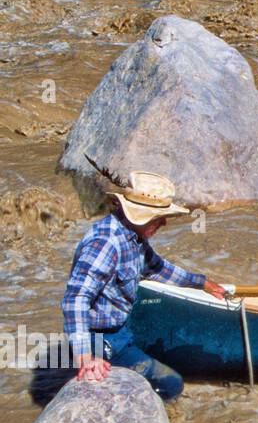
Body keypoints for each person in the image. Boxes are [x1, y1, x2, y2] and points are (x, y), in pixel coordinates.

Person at [58, 165, 227, 400]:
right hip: (99, 338)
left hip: (119, 331)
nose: (164, 224)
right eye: (159, 218)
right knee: (169, 385)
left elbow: (157, 268)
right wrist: (85, 356)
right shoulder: (105, 243)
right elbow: (75, 299)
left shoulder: (133, 237)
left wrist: (202, 283)